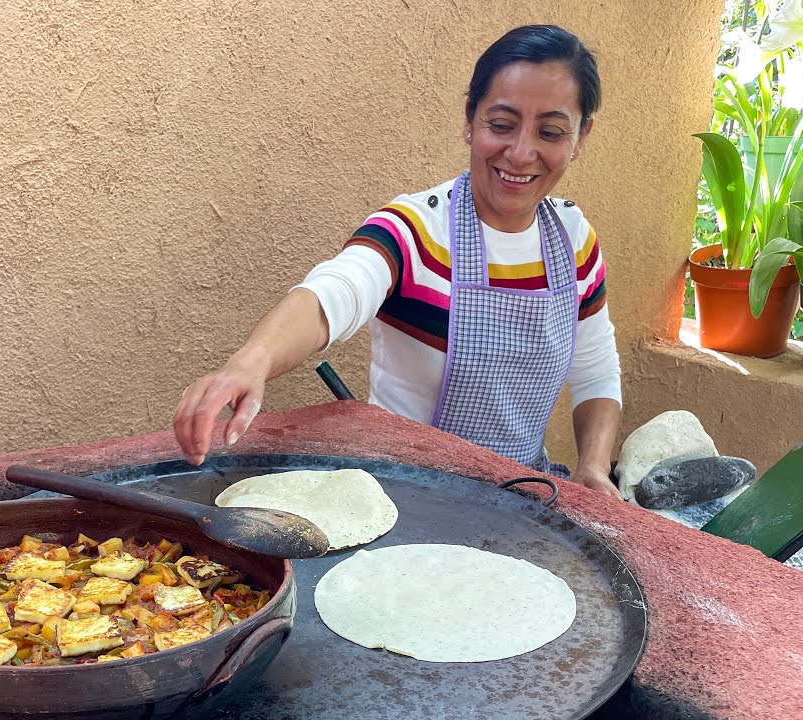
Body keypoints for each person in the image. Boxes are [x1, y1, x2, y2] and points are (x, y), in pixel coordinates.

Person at [172, 25, 622, 497]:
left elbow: (595, 368)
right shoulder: (415, 228)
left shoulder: (573, 242)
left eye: (550, 132)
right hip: (404, 497)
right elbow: (337, 290)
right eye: (502, 125)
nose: (522, 152)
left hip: (520, 497)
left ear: (580, 137)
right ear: (470, 119)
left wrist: (592, 465)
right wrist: (250, 363)